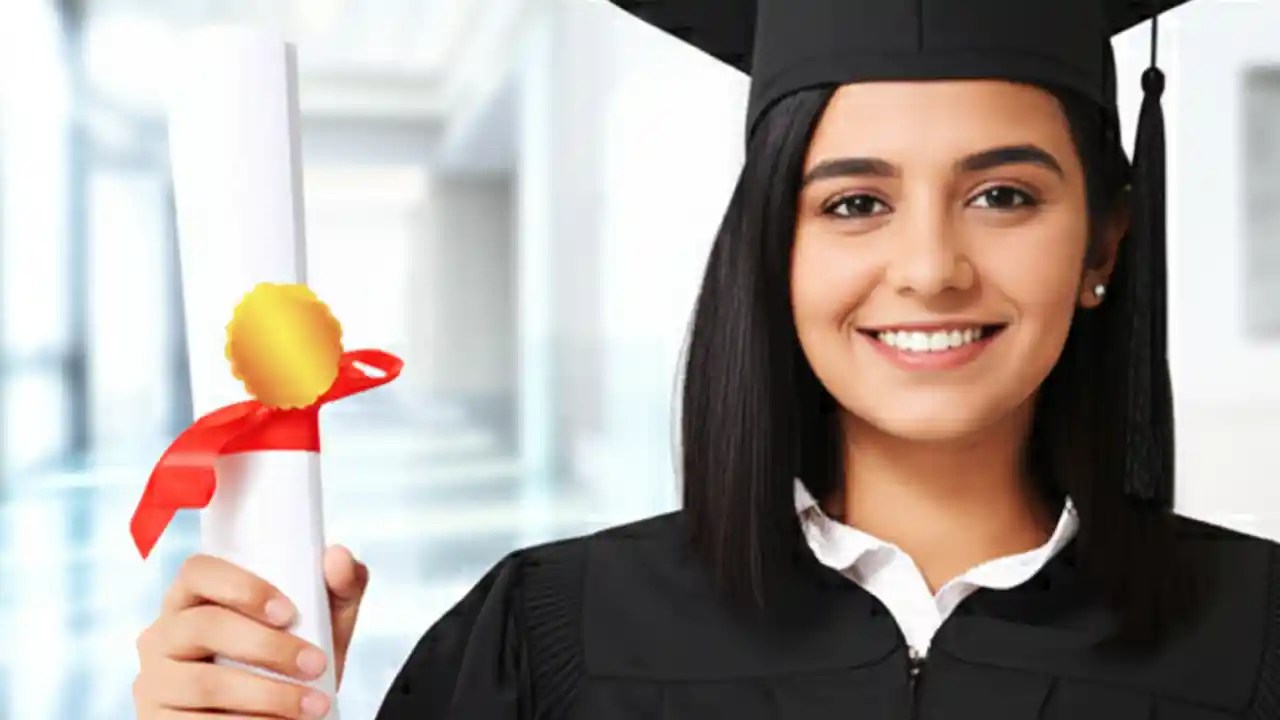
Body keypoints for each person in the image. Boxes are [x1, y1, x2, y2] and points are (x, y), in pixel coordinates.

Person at [132, 0, 1280, 718]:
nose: (929, 267)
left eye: (1001, 195)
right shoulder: (551, 638)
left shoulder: (1256, 637)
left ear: (1103, 244)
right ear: (769, 246)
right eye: (853, 203)